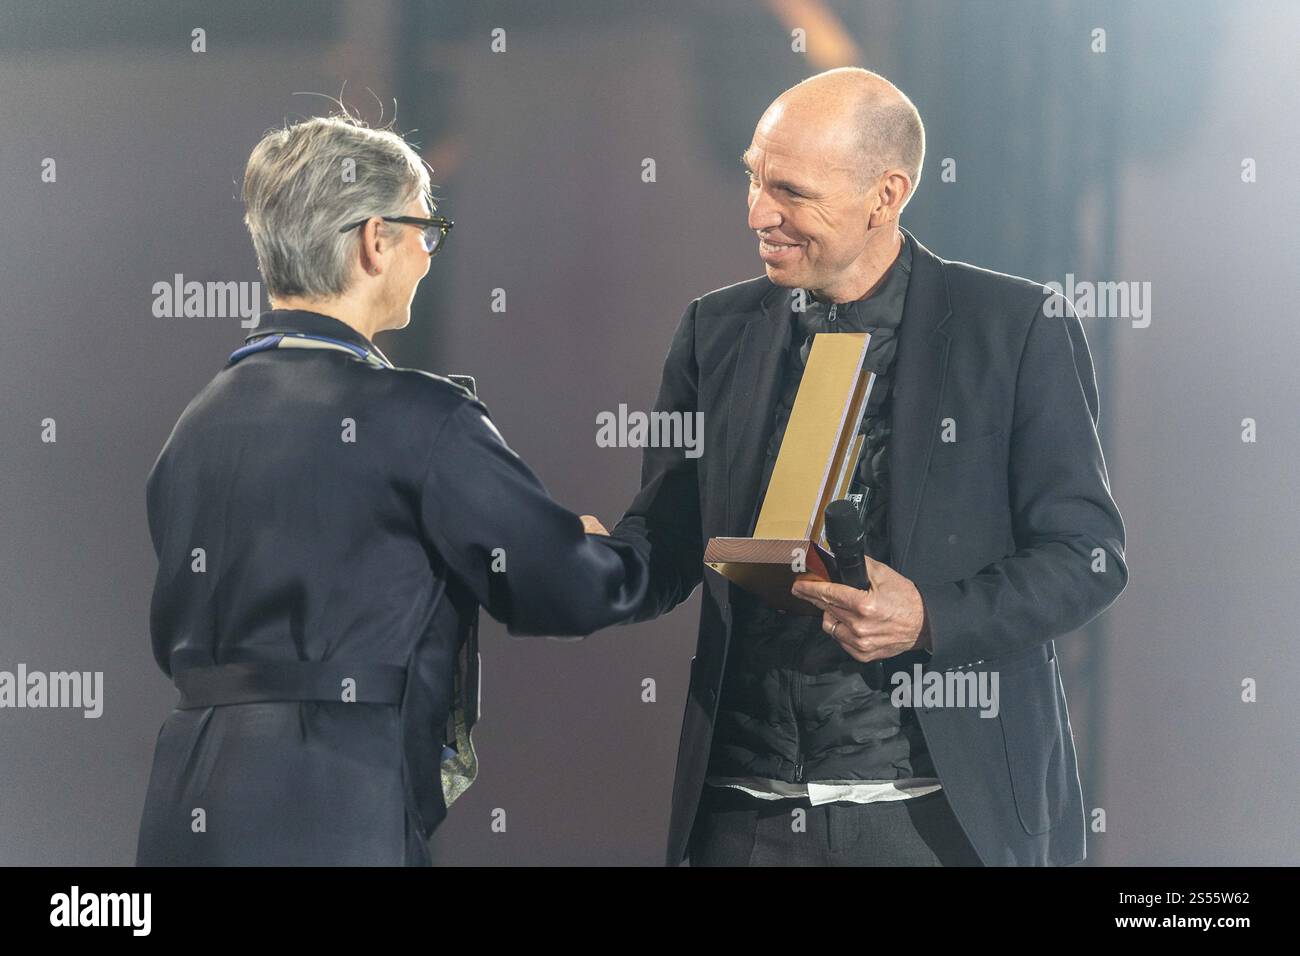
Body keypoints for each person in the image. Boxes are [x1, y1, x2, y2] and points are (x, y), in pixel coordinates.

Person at [587, 67, 1128, 866]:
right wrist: (586, 559)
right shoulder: (714, 329)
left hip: (933, 819)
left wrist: (930, 617)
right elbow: (668, 537)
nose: (758, 214)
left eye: (791, 192)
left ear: (887, 195)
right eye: (753, 179)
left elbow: (1088, 558)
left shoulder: (1013, 327)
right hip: (747, 814)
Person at [136, 112, 648, 866]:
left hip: (183, 804)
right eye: (424, 230)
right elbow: (560, 585)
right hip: (332, 805)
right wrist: (626, 550)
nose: (427, 255)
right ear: (376, 239)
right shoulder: (417, 415)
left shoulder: (198, 421)